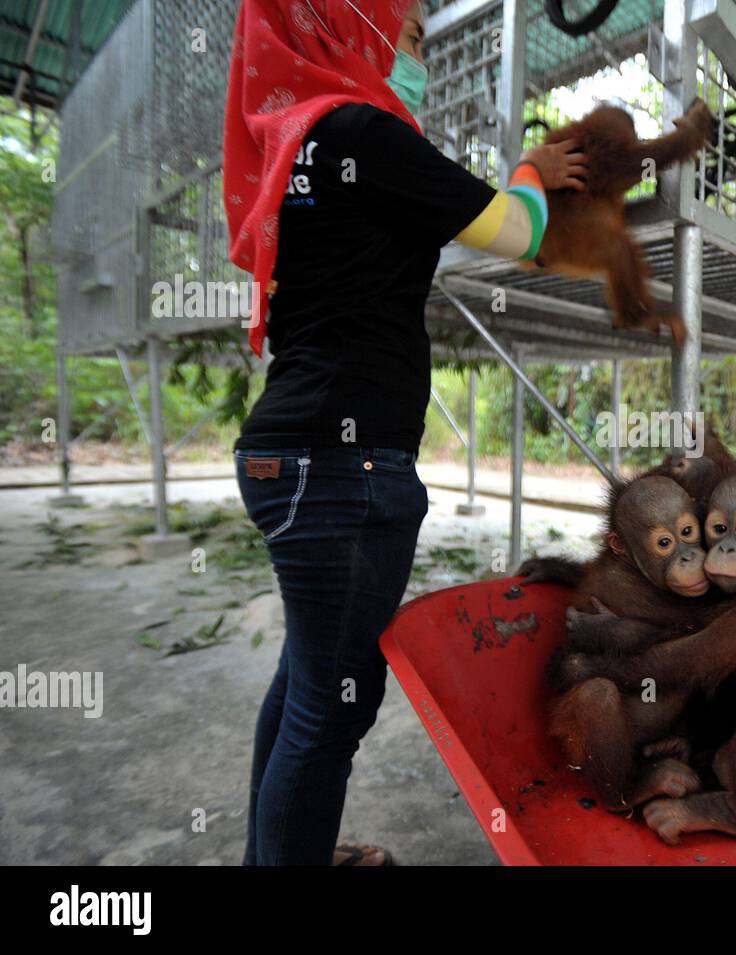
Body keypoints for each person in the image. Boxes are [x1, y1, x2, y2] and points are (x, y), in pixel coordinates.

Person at [222, 0, 585, 865]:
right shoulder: (361, 133)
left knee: (306, 685)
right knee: (332, 706)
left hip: (295, 454)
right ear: (355, 26)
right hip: (341, 466)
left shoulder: (298, 139)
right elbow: (518, 231)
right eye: (413, 38)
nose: (418, 57)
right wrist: (532, 167)